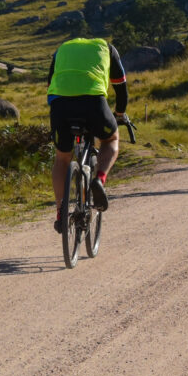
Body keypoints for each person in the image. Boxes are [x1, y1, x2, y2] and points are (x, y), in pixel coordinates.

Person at [46, 36, 128, 232]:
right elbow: (121, 88)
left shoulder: (61, 49)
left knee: (62, 158)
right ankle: (99, 179)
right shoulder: (107, 49)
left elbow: (50, 82)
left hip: (60, 105)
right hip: (93, 103)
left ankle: (60, 212)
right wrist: (120, 114)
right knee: (111, 139)